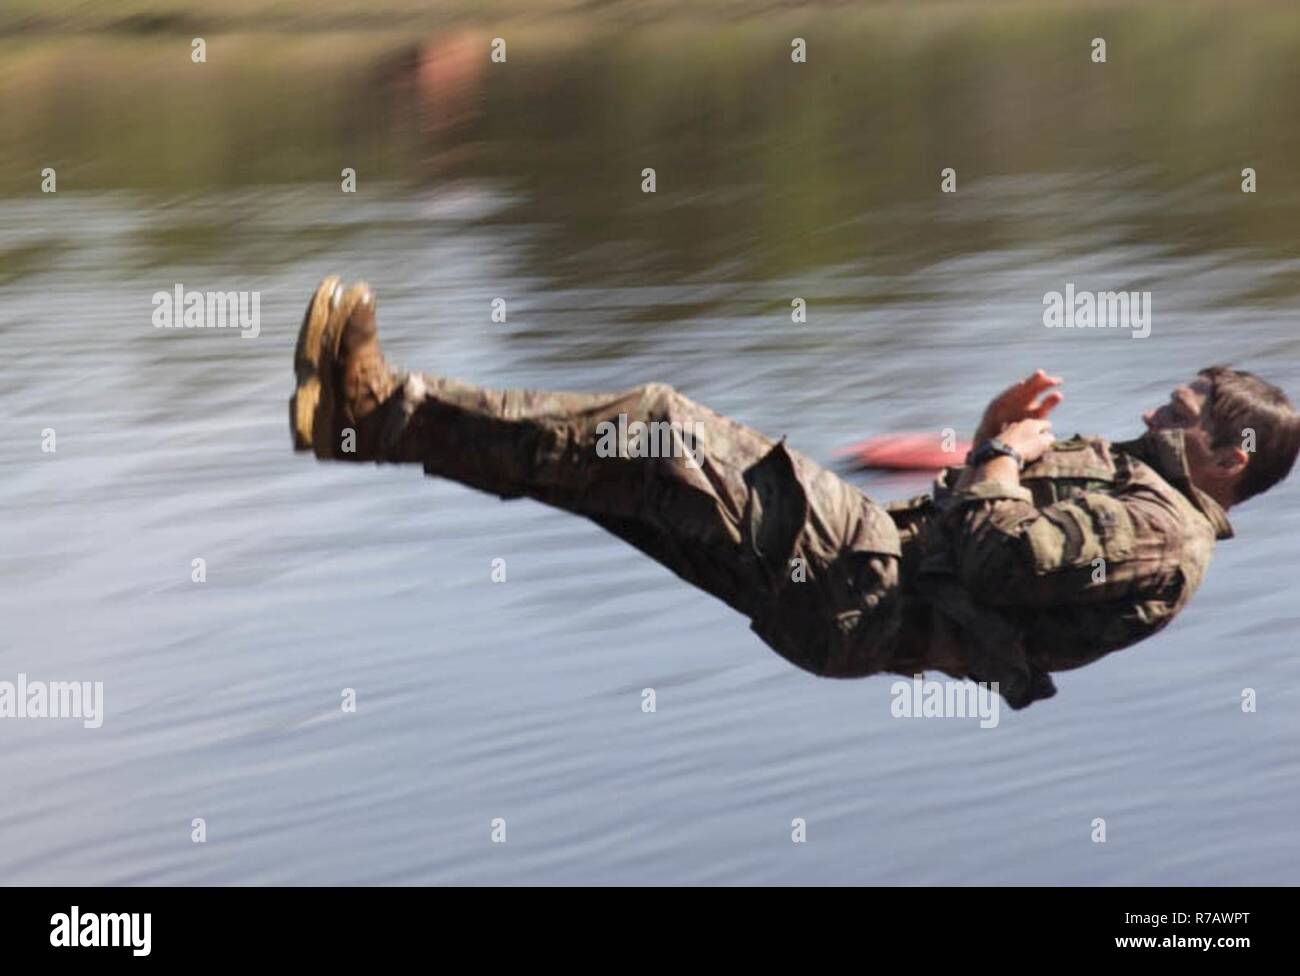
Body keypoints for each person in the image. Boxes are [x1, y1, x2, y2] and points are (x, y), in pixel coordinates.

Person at [290, 278, 1300, 709]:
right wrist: (991, 442)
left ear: (1229, 459)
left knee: (659, 422)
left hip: (866, 589)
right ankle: (360, 426)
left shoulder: (1163, 540)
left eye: (1181, 414)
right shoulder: (1136, 489)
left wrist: (995, 453)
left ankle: (382, 410)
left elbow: (998, 555)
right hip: (852, 589)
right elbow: (992, 524)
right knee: (612, 474)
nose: (1157, 414)